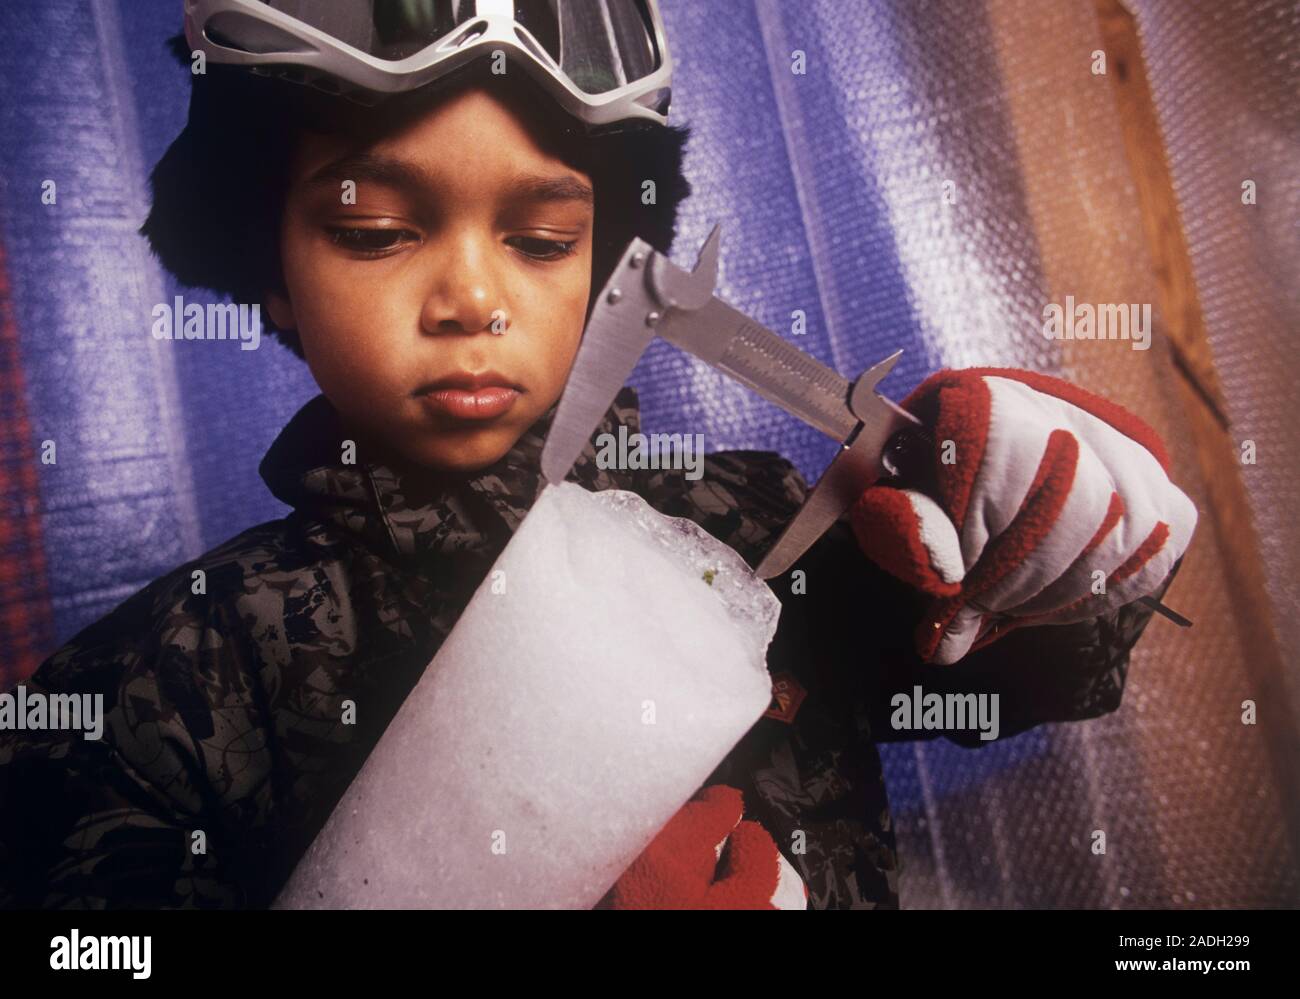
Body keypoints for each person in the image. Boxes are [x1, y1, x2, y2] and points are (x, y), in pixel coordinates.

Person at [0, 0, 1196, 910]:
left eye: (541, 236)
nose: (472, 296)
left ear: (609, 261)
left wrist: (1052, 553)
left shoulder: (771, 531)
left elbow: (1033, 674)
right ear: (266, 272)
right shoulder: (143, 692)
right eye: (374, 230)